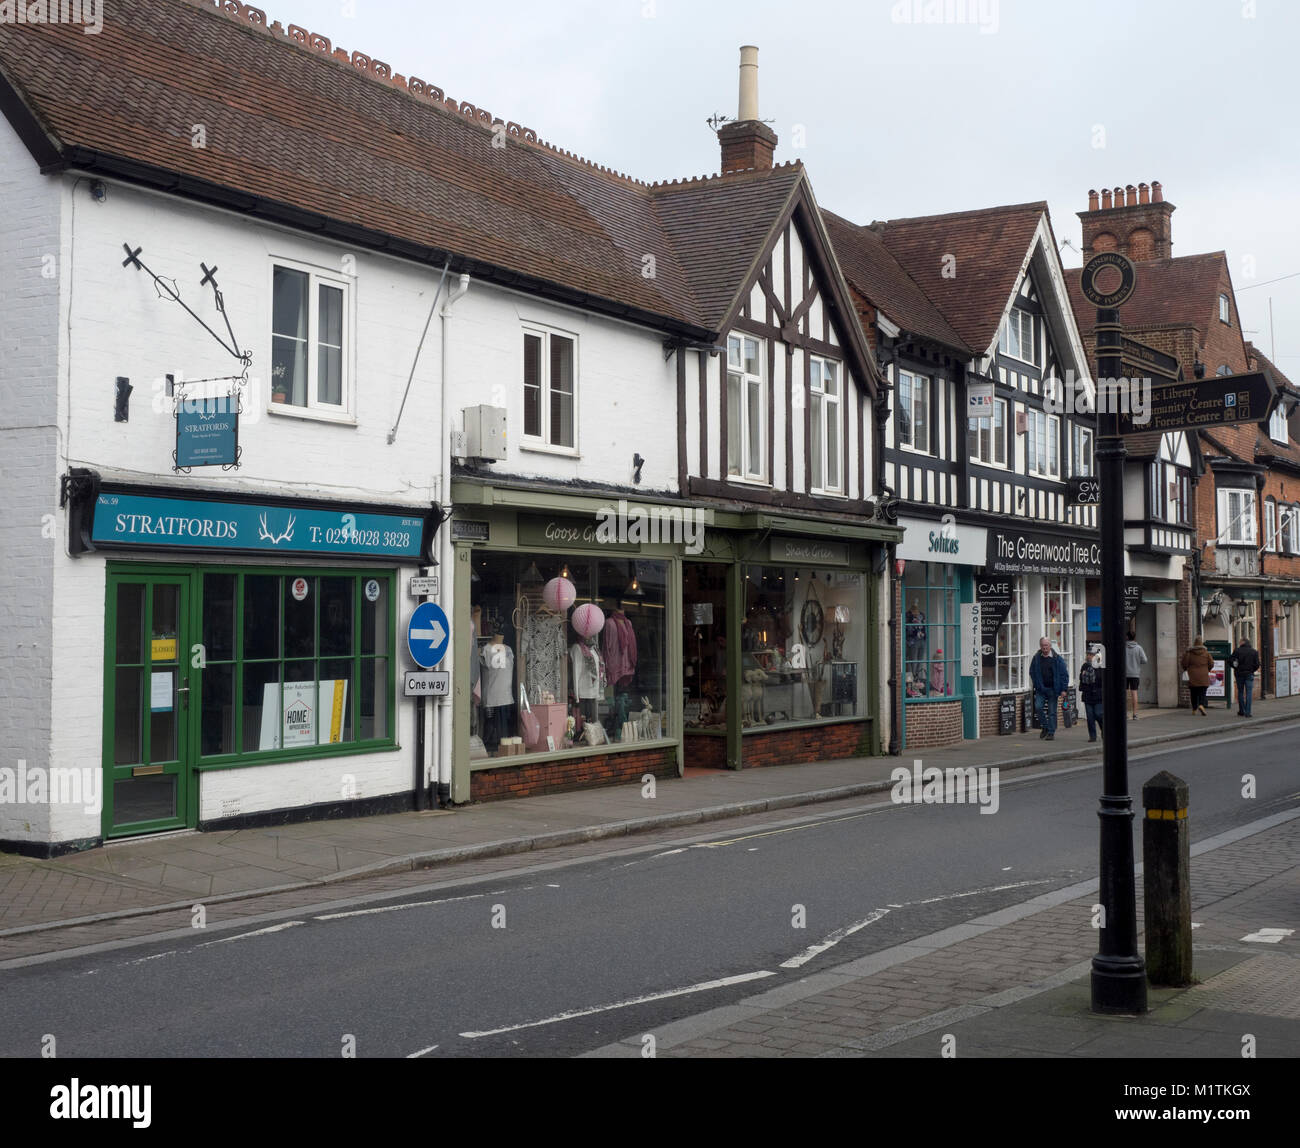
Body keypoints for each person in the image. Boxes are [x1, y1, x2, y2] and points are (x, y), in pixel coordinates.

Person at [1029, 636, 1069, 741]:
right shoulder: (1036, 658)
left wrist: (1064, 689)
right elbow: (1032, 672)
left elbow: (1064, 675)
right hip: (1041, 689)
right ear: (1040, 646)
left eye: (1046, 645)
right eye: (1043, 645)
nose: (1044, 647)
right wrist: (1037, 684)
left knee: (1052, 712)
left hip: (1053, 689)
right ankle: (1045, 727)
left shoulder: (1057, 659)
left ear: (1050, 646)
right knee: (1038, 707)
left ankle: (1051, 732)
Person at [1181, 634, 1214, 716]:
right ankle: (1201, 705)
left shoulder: (1189, 653)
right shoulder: (1206, 653)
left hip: (1192, 676)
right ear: (1202, 643)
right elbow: (1211, 664)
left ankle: (1194, 709)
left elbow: (1184, 663)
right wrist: (1207, 670)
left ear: (1194, 643)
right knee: (1202, 692)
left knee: (1193, 693)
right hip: (1203, 676)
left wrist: (1186, 669)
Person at [1078, 647, 1104, 743]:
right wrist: (1083, 675)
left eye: (1091, 654)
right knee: (1090, 717)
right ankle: (1092, 736)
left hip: (1098, 695)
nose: (1089, 656)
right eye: (1088, 654)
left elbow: (1101, 679)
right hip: (1088, 694)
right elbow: (1081, 678)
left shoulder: (1101, 666)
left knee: (1098, 714)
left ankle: (1104, 729)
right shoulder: (1085, 666)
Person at [1229, 637, 1260, 717]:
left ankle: (1242, 710)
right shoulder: (1254, 652)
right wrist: (1252, 670)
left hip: (1239, 674)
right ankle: (1248, 712)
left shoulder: (1237, 651)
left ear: (1243, 642)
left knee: (1240, 692)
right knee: (1249, 692)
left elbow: (1230, 661)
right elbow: (1257, 664)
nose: (1239, 643)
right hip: (1249, 674)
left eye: (1240, 642)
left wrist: (1235, 667)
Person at [1124, 635, 1147, 721]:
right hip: (1135, 674)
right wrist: (1137, 661)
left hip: (1125, 674)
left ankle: (1125, 714)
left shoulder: (1123, 648)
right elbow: (1145, 660)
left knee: (1125, 694)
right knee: (1134, 693)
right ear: (1134, 638)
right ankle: (1135, 714)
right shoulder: (1139, 648)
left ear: (1127, 637)